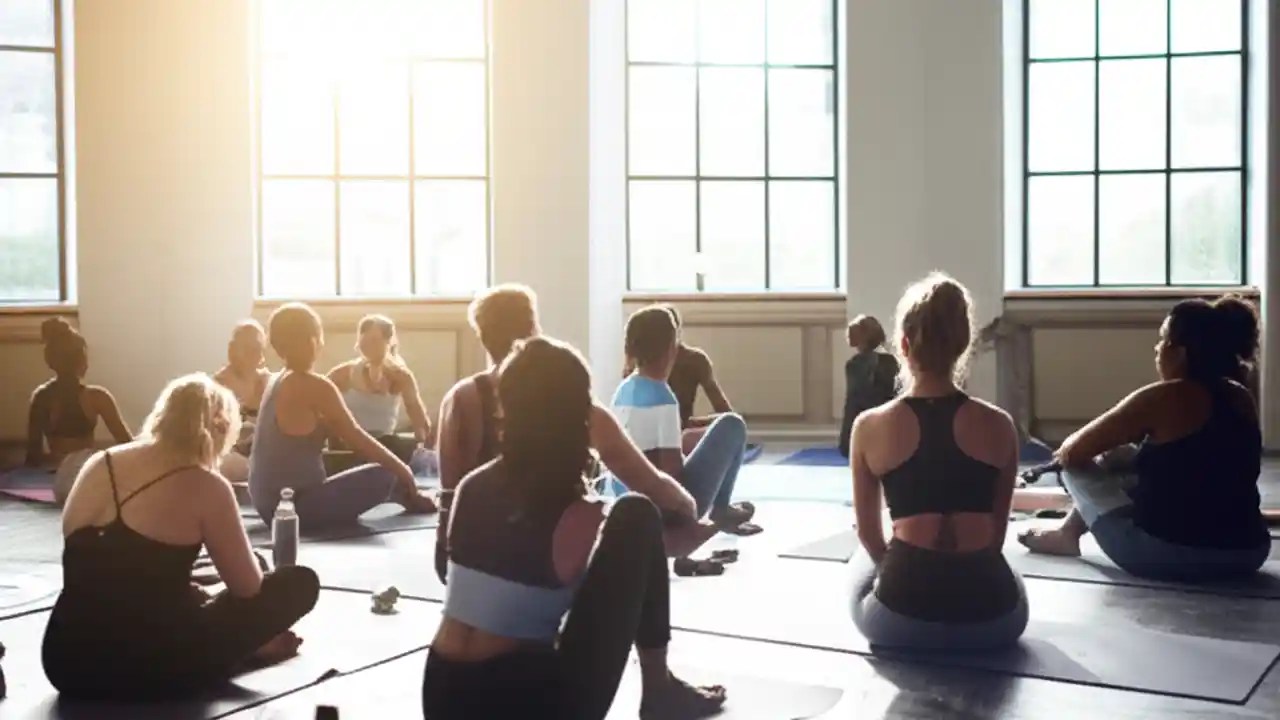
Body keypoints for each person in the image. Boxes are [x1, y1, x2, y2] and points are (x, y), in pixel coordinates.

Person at [423, 337, 727, 720]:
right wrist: (681, 534)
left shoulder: (472, 487)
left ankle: (662, 689)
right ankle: (659, 688)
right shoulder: (580, 514)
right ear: (581, 415)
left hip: (441, 697)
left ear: (506, 410)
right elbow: (634, 571)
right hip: (525, 705)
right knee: (636, 513)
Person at [41, 373, 319, 699]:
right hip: (154, 666)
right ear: (220, 428)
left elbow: (107, 567)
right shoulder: (206, 485)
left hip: (66, 663)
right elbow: (248, 590)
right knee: (298, 583)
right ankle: (249, 652)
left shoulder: (100, 463)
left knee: (191, 592)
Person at [434, 285, 702, 583]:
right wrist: (686, 506)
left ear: (483, 337)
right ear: (533, 331)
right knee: (633, 516)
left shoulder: (459, 400)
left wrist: (451, 557)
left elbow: (450, 496)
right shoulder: (567, 399)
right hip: (546, 557)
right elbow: (639, 474)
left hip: (467, 559)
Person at [1019, 295, 1270, 581]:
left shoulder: (1161, 397)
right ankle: (1066, 533)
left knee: (1076, 469)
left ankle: (1066, 536)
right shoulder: (1241, 397)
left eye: (1163, 340)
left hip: (1169, 556)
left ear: (1180, 353)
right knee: (1133, 462)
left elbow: (1070, 452)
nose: (1157, 348)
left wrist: (1116, 457)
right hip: (1249, 553)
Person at [848, 272, 1027, 650]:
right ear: (963, 345)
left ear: (904, 344)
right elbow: (995, 539)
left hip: (902, 622)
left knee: (858, 558)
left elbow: (869, 536)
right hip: (994, 621)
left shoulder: (868, 426)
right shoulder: (1001, 425)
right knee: (1009, 574)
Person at [248, 303, 435, 531]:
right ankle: (405, 494)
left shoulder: (275, 381)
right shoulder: (315, 385)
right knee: (384, 473)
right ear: (314, 341)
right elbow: (357, 438)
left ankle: (400, 493)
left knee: (369, 463)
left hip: (265, 504)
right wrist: (405, 473)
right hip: (296, 508)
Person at [612, 306, 760, 539]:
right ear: (672, 348)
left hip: (624, 506)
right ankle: (720, 509)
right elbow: (672, 476)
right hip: (662, 513)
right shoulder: (663, 397)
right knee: (733, 424)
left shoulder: (623, 390)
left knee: (690, 439)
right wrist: (688, 523)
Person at [26, 318, 133, 504]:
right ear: (81, 361)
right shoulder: (98, 397)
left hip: (61, 485)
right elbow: (127, 445)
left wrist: (58, 462)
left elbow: (33, 456)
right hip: (88, 479)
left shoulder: (40, 397)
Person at [623, 306, 735, 455]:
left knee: (731, 423)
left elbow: (723, 410)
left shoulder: (695, 360)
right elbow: (672, 470)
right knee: (732, 425)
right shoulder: (658, 392)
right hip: (661, 441)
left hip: (675, 432)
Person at [327, 314, 435, 464]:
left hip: (383, 446)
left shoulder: (401, 376)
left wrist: (421, 442)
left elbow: (419, 419)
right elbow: (319, 407)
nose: (369, 347)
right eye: (365, 341)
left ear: (388, 342)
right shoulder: (342, 374)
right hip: (347, 445)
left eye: (375, 341)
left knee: (395, 446)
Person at [214, 320, 270, 484]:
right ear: (231, 351)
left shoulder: (267, 382)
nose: (253, 353)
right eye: (247, 348)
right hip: (231, 454)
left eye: (258, 348)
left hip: (262, 453)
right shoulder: (218, 386)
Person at [838, 315, 899, 458]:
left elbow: (853, 402)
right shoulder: (892, 362)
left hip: (863, 427)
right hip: (887, 428)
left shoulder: (854, 365)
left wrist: (846, 437)